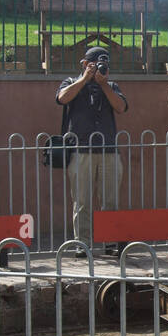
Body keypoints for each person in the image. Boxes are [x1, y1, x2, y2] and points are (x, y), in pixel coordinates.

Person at [56, 46, 130, 258]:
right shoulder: (71, 82)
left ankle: (109, 242)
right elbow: (62, 98)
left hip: (108, 151)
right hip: (80, 151)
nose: (99, 68)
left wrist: (104, 85)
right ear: (83, 64)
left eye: (102, 64)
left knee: (110, 200)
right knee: (82, 200)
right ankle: (83, 244)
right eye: (94, 64)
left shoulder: (112, 85)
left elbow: (121, 107)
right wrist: (85, 79)